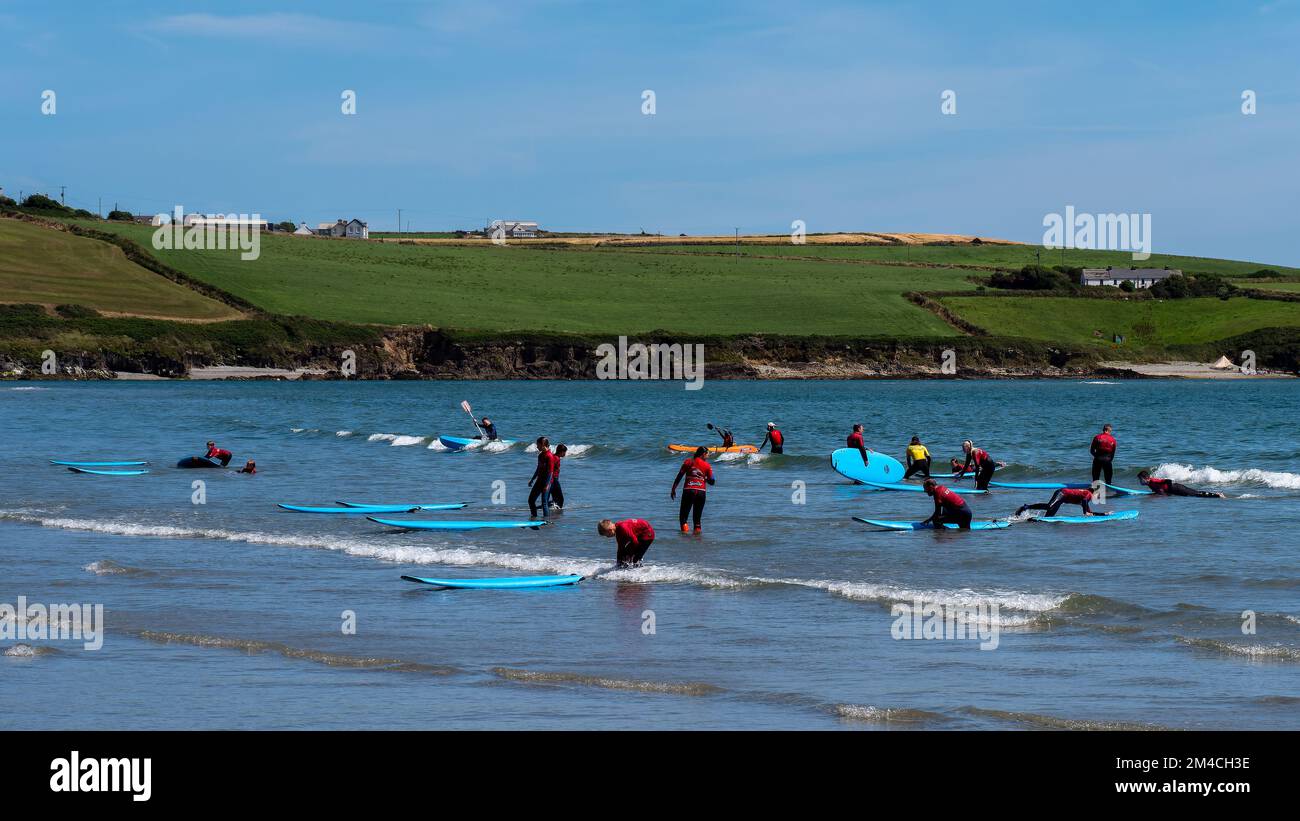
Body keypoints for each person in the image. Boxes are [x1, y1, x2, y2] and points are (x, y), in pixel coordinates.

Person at [671, 445, 714, 534]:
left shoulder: (688, 462)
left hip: (689, 490)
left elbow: (679, 476)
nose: (708, 456)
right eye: (707, 454)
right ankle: (697, 540)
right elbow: (712, 481)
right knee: (697, 520)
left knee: (683, 518)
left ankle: (685, 538)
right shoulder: (707, 465)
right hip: (701, 492)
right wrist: (705, 479)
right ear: (703, 454)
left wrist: (673, 489)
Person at [1015, 487, 1097, 518]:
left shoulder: (1085, 496)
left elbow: (1089, 512)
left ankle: (1032, 520)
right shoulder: (1088, 493)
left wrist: (1105, 514)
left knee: (1048, 519)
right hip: (1061, 493)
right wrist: (1085, 512)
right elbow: (1084, 501)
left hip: (1061, 500)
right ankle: (1026, 507)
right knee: (1049, 506)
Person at [1137, 470, 1225, 498]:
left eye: (1141, 479)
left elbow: (1168, 480)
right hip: (1176, 491)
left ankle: (1218, 495)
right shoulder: (1149, 484)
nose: (1140, 481)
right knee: (1195, 494)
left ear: (1146, 479)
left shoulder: (1153, 481)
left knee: (1196, 494)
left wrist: (1170, 491)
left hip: (1177, 488)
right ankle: (1216, 495)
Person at [527, 437, 556, 517]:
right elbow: (538, 469)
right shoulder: (540, 455)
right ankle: (534, 517)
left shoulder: (549, 456)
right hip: (539, 481)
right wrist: (532, 479)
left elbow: (550, 472)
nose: (537, 447)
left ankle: (546, 520)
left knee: (544, 502)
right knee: (531, 500)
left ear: (543, 445)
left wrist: (547, 485)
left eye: (538, 445)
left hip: (547, 482)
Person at [548, 444, 567, 510]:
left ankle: (552, 508)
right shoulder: (556, 458)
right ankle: (558, 510)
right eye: (564, 452)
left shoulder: (554, 457)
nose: (565, 454)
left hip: (552, 480)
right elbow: (551, 469)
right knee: (560, 498)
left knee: (555, 497)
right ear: (561, 452)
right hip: (554, 480)